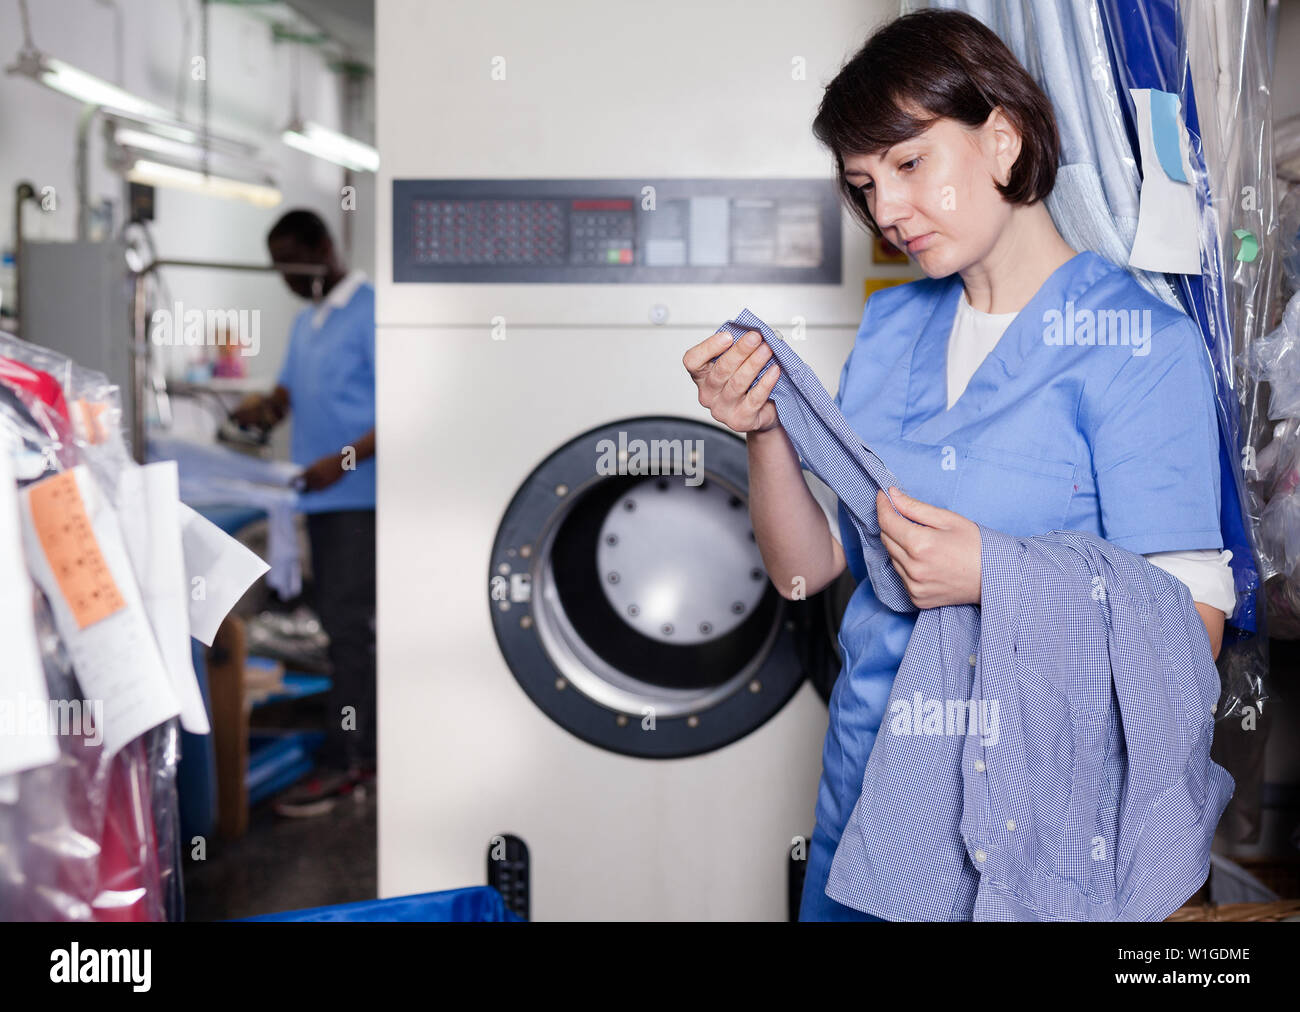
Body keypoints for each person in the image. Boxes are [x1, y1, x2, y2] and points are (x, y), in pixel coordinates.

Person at [682, 9, 1236, 920]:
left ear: (1004, 141)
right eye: (864, 184)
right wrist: (764, 432)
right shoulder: (896, 323)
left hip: (1032, 818)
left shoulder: (1135, 344)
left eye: (910, 164)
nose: (887, 211)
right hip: (869, 793)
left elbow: (1191, 637)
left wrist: (995, 574)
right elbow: (804, 572)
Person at [233, 208, 377, 817]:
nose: (287, 278)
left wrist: (339, 463)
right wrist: (260, 409)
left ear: (323, 247)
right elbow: (289, 395)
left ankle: (352, 759)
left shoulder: (371, 311)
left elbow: (401, 406)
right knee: (339, 626)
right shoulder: (305, 321)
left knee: (349, 631)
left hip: (361, 500)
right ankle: (352, 748)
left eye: (294, 263)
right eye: (279, 269)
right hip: (318, 499)